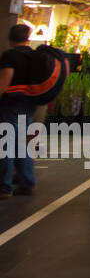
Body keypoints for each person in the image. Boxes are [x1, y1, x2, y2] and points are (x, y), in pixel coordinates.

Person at [0, 24, 39, 198]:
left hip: (11, 104)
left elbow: (5, 80)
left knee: (6, 145)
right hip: (30, 104)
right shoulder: (35, 56)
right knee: (22, 143)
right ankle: (26, 182)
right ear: (28, 38)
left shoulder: (10, 56)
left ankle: (4, 187)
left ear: (10, 38)